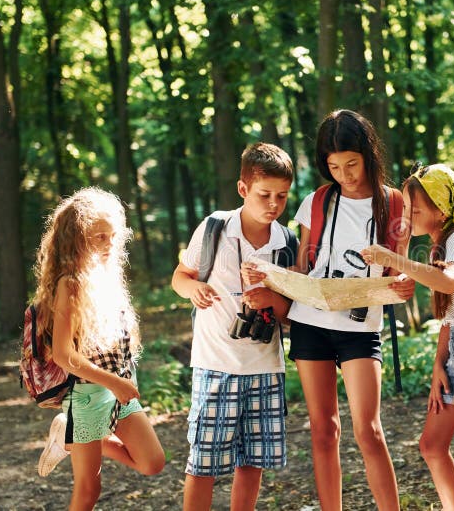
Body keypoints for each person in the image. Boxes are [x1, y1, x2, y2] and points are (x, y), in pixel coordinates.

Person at [361, 163, 454, 511]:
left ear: (442, 210)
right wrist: (438, 365)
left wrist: (392, 259)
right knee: (431, 444)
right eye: (408, 208)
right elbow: (448, 315)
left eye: (416, 209)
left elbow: (448, 282)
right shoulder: (439, 247)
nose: (409, 215)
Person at [286, 109, 414, 511]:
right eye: (334, 166)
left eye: (352, 164)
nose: (344, 174)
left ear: (369, 155)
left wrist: (405, 286)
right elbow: (304, 264)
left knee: (368, 429)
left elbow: (401, 271)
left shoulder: (394, 204)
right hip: (311, 322)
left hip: (361, 326)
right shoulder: (318, 201)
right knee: (324, 430)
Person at [171, 142, 295, 511]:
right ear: (243, 189)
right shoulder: (214, 228)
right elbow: (181, 276)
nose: (273, 204)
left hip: (265, 367)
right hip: (214, 365)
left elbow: (292, 312)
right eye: (264, 194)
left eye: (282, 196)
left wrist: (269, 300)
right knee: (203, 463)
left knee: (253, 462)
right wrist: (194, 288)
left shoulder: (286, 242)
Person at [32, 187, 165, 510]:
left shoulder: (106, 275)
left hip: (116, 391)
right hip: (88, 397)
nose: (108, 245)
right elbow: (64, 355)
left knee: (152, 462)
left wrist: (123, 379)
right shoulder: (70, 284)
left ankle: (68, 437)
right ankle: (71, 433)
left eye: (112, 236)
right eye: (98, 238)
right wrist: (115, 383)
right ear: (76, 240)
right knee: (89, 490)